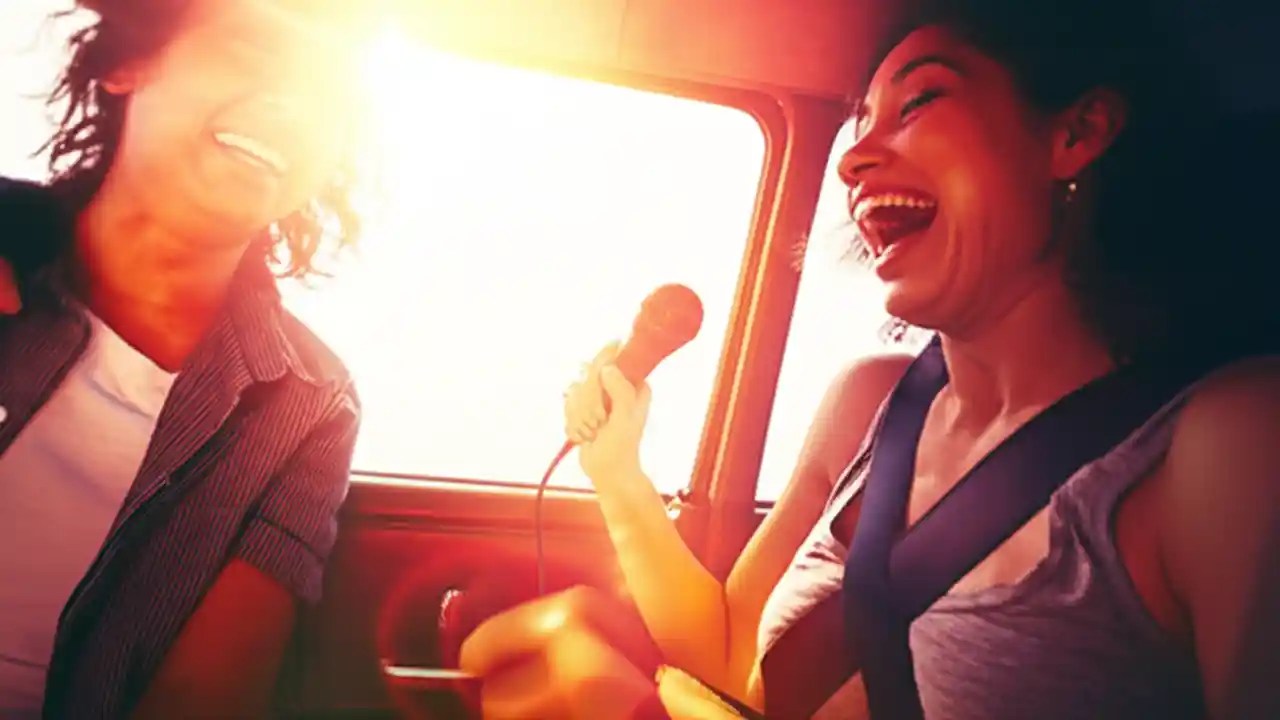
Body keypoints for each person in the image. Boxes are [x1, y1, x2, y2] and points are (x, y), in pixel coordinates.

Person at [459, 0, 1280, 717]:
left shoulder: (1228, 443)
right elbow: (735, 661)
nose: (854, 160)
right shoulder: (870, 405)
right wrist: (618, 475)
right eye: (860, 126)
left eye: (917, 101)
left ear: (1076, 132)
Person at [0, 0, 372, 716]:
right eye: (254, 49)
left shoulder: (310, 405)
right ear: (123, 63)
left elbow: (202, 701)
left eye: (330, 94)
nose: (294, 105)